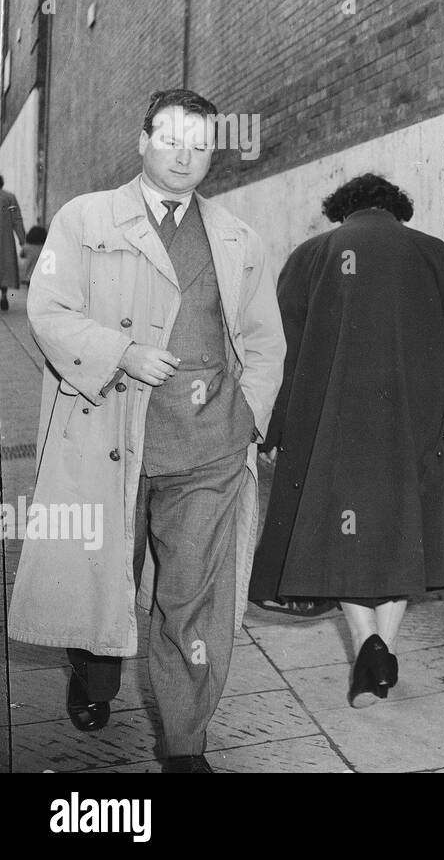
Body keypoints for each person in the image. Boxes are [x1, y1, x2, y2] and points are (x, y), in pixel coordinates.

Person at [7, 89, 286, 772]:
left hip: (208, 453)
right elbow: (47, 308)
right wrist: (120, 354)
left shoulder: (237, 239)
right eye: (171, 139)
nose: (185, 154)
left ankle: (186, 744)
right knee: (104, 578)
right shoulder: (84, 220)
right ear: (143, 142)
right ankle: (93, 670)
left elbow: (263, 339)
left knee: (191, 604)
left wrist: (246, 415)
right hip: (110, 440)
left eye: (198, 143)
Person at [250, 172, 444, 707]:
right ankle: (385, 645)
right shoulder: (429, 251)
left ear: (341, 209)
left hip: (329, 419)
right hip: (412, 416)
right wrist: (424, 369)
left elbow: (282, 345)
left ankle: (366, 642)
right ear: (396, 209)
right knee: (403, 526)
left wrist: (276, 426)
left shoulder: (312, 255)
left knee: (345, 531)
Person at [0, 173, 26, 310]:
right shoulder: (9, 198)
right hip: (4, 239)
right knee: (3, 266)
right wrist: (23, 241)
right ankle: (3, 295)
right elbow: (17, 219)